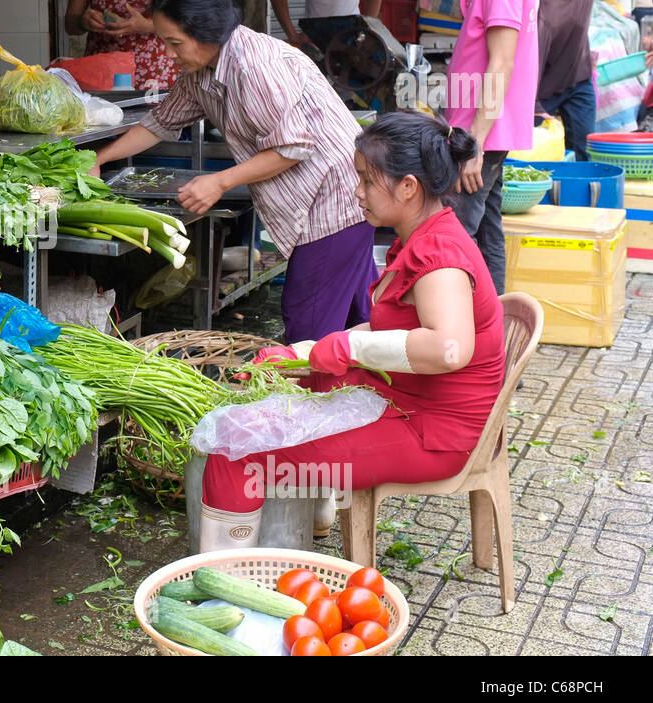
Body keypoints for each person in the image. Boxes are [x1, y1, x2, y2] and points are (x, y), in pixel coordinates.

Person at [199, 112, 507, 550]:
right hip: (415, 404)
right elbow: (390, 326)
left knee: (237, 452)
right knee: (312, 378)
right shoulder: (424, 232)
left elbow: (448, 348)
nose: (356, 191)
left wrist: (349, 345)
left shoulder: (439, 254)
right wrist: (307, 352)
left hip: (433, 432)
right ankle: (320, 512)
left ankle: (219, 595)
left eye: (365, 180)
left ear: (407, 187)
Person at [91, 0, 376, 343]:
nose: (169, 54)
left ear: (207, 32)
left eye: (175, 43)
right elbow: (161, 122)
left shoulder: (254, 66)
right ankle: (374, 397)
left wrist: (219, 182)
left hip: (333, 205)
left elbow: (293, 146)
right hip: (335, 203)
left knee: (309, 330)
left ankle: (318, 398)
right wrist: (100, 158)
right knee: (363, 319)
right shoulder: (201, 70)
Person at [440, 0, 539, 295]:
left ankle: (459, 334)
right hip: (486, 129)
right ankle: (492, 331)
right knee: (487, 230)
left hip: (481, 132)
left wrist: (472, 144)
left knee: (449, 234)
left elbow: (501, 63)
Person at [536, 0, 603, 162]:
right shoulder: (545, 0)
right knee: (534, 156)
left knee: (586, 154)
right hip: (544, 90)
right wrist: (533, 104)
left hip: (580, 80)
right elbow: (533, 57)